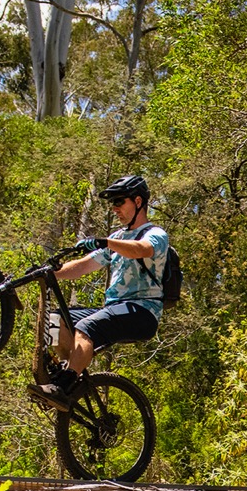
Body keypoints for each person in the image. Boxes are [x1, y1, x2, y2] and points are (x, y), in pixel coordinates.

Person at [29, 173, 170, 410]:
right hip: (114, 309)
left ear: (138, 202)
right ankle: (69, 377)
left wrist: (106, 242)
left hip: (143, 312)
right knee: (55, 319)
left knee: (87, 327)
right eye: (112, 203)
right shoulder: (117, 238)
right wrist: (49, 273)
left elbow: (141, 250)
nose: (114, 208)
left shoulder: (154, 234)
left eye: (119, 202)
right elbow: (84, 265)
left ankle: (63, 385)